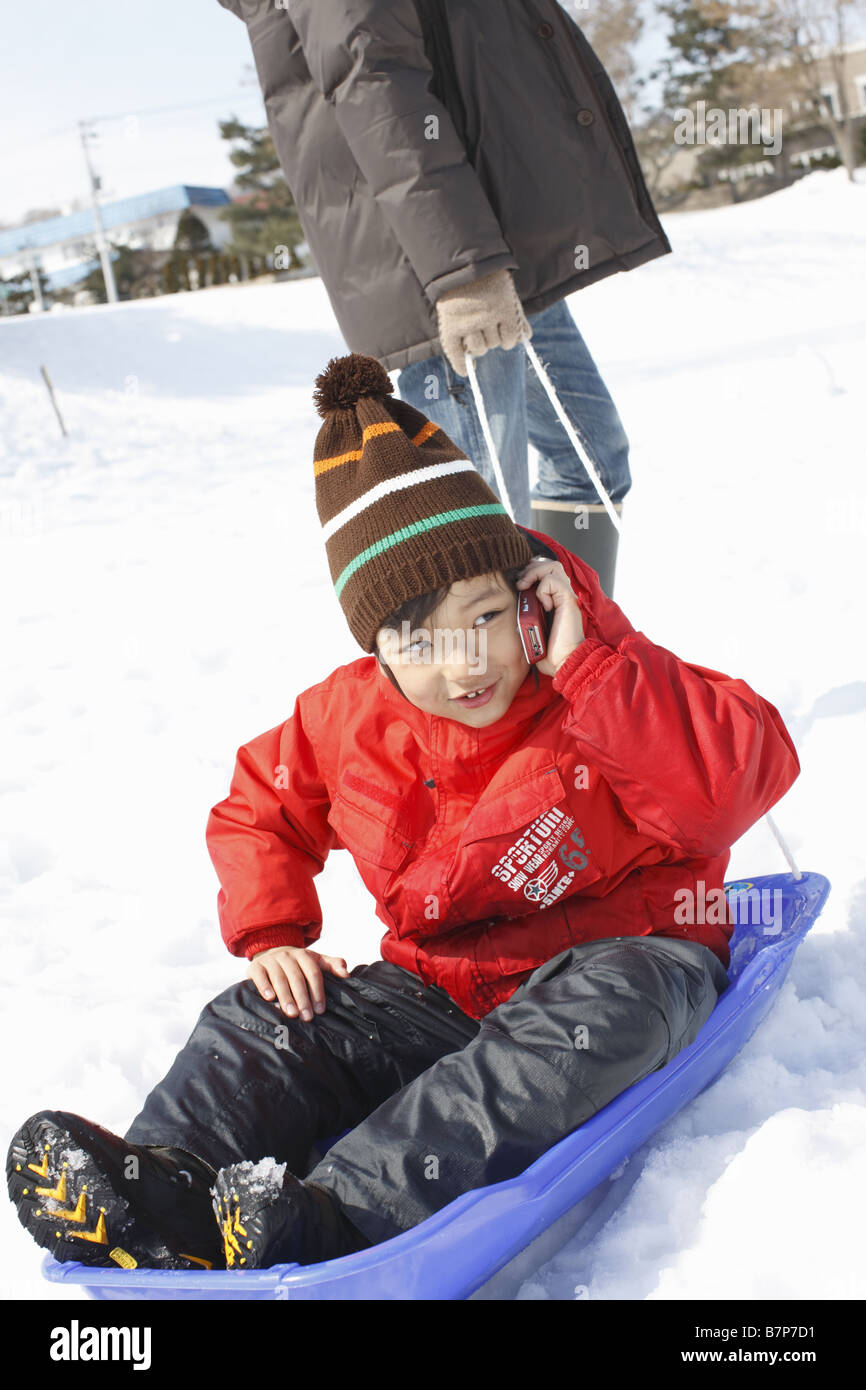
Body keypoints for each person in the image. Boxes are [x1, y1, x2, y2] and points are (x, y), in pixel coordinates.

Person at [7, 355, 800, 1273]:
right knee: (264, 1018)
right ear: (374, 644)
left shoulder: (597, 680)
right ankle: (160, 1188)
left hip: (619, 971)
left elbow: (738, 779)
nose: (462, 665)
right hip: (441, 989)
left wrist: (592, 668)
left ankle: (335, 1215)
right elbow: (258, 806)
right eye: (416, 640)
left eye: (484, 617)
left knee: (575, 1033)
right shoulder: (350, 715)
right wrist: (272, 933)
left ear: (531, 594)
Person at [215, 0, 673, 594]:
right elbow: (374, 83)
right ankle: (510, 678)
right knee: (486, 533)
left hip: (492, 244)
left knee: (590, 461)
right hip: (442, 269)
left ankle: (569, 661)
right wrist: (462, 271)